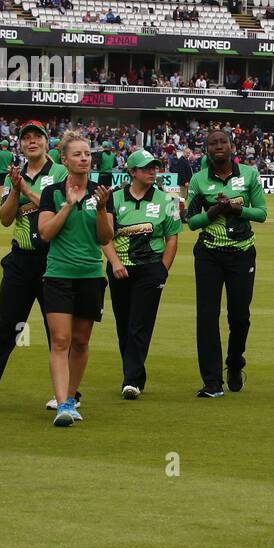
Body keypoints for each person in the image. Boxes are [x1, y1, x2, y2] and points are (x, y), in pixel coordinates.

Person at [0, 121, 68, 412]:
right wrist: (15, 189)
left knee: (58, 331)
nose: (32, 141)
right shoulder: (16, 174)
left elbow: (63, 211)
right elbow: (5, 218)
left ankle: (66, 393)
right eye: (27, 138)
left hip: (53, 260)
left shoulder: (60, 172)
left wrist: (28, 190)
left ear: (46, 142)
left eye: (37, 136)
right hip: (20, 260)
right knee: (6, 327)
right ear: (20, 145)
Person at [37, 133, 114, 427]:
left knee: (80, 342)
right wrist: (68, 205)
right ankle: (62, 405)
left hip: (91, 275)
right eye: (78, 154)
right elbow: (45, 233)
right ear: (65, 160)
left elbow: (106, 237)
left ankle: (70, 398)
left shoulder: (101, 193)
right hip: (58, 274)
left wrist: (103, 208)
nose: (84, 158)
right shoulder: (53, 193)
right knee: (60, 340)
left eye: (87, 154)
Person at [186, 130, 268, 397]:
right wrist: (212, 212)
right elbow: (191, 221)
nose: (218, 146)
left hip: (242, 253)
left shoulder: (249, 174)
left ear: (232, 146)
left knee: (240, 317)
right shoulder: (199, 179)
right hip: (209, 253)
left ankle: (234, 363)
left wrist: (236, 209)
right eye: (213, 143)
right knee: (207, 317)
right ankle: (211, 382)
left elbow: (262, 213)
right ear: (206, 148)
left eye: (223, 142)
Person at [101, 150, 181, 400]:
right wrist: (114, 263)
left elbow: (171, 238)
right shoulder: (113, 199)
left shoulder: (167, 199)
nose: (152, 171)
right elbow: (105, 236)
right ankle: (136, 374)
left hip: (150, 269)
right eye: (146, 167)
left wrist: (162, 271)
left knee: (140, 324)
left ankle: (131, 379)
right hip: (119, 268)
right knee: (124, 324)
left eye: (154, 167)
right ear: (132, 172)